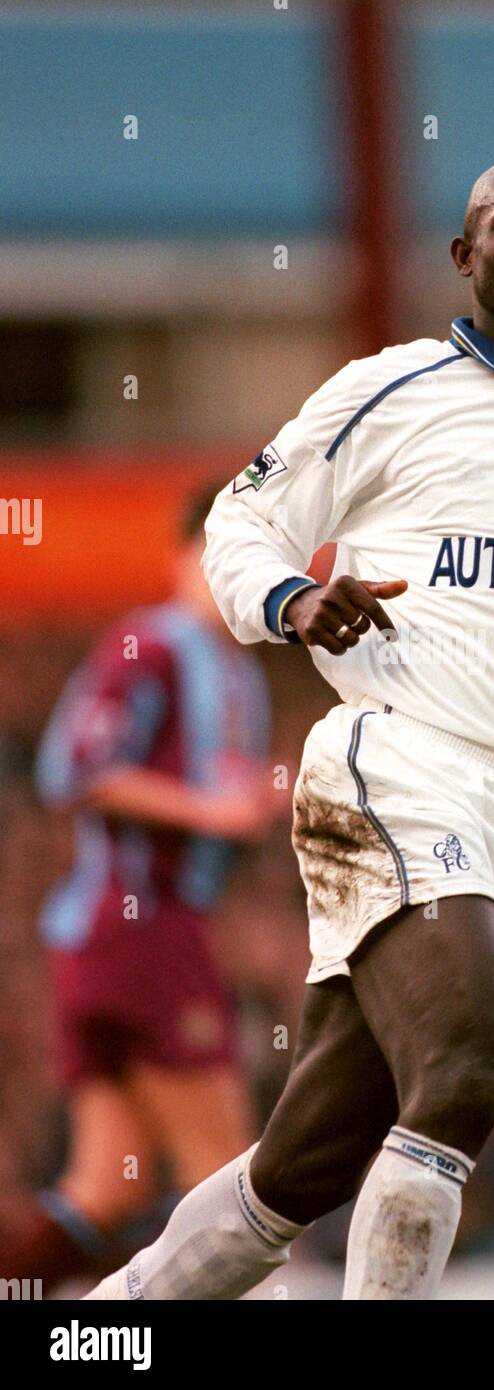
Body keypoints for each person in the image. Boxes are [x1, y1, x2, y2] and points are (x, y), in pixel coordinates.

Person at [86, 151, 494, 1301]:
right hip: (399, 761)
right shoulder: (392, 389)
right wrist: (290, 598)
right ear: (464, 253)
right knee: (466, 1066)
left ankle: (103, 1325)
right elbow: (243, 519)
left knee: (304, 1162)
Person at [0, 488, 273, 1293]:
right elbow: (74, 769)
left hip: (106, 943)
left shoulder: (235, 673)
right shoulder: (149, 643)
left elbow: (217, 792)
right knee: (231, 1185)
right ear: (189, 556)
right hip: (140, 933)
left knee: (106, 1188)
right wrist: (214, 811)